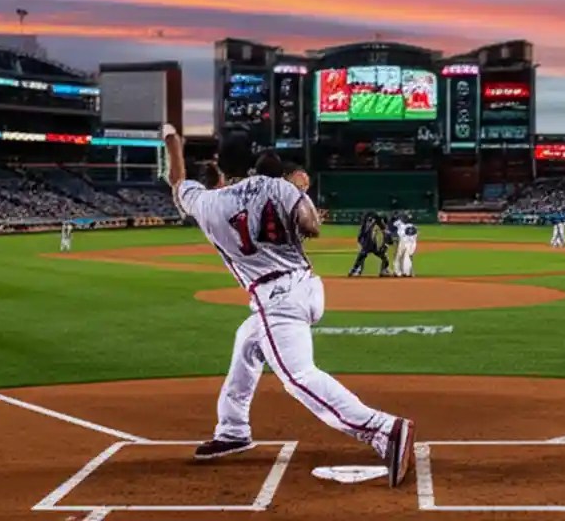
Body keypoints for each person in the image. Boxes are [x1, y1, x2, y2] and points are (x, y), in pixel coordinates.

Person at [164, 127, 415, 487]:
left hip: (276, 298)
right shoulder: (278, 186)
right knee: (248, 342)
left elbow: (177, 184)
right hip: (306, 285)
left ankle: (384, 429)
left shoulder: (206, 203)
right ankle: (233, 429)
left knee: (298, 377)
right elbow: (311, 226)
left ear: (220, 165)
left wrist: (173, 142)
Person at [349, 212, 392, 277]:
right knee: (362, 255)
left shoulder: (370, 224)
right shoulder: (375, 226)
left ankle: (356, 270)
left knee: (383, 257)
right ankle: (356, 270)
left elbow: (388, 239)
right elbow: (389, 239)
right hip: (369, 245)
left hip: (373, 246)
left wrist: (384, 246)